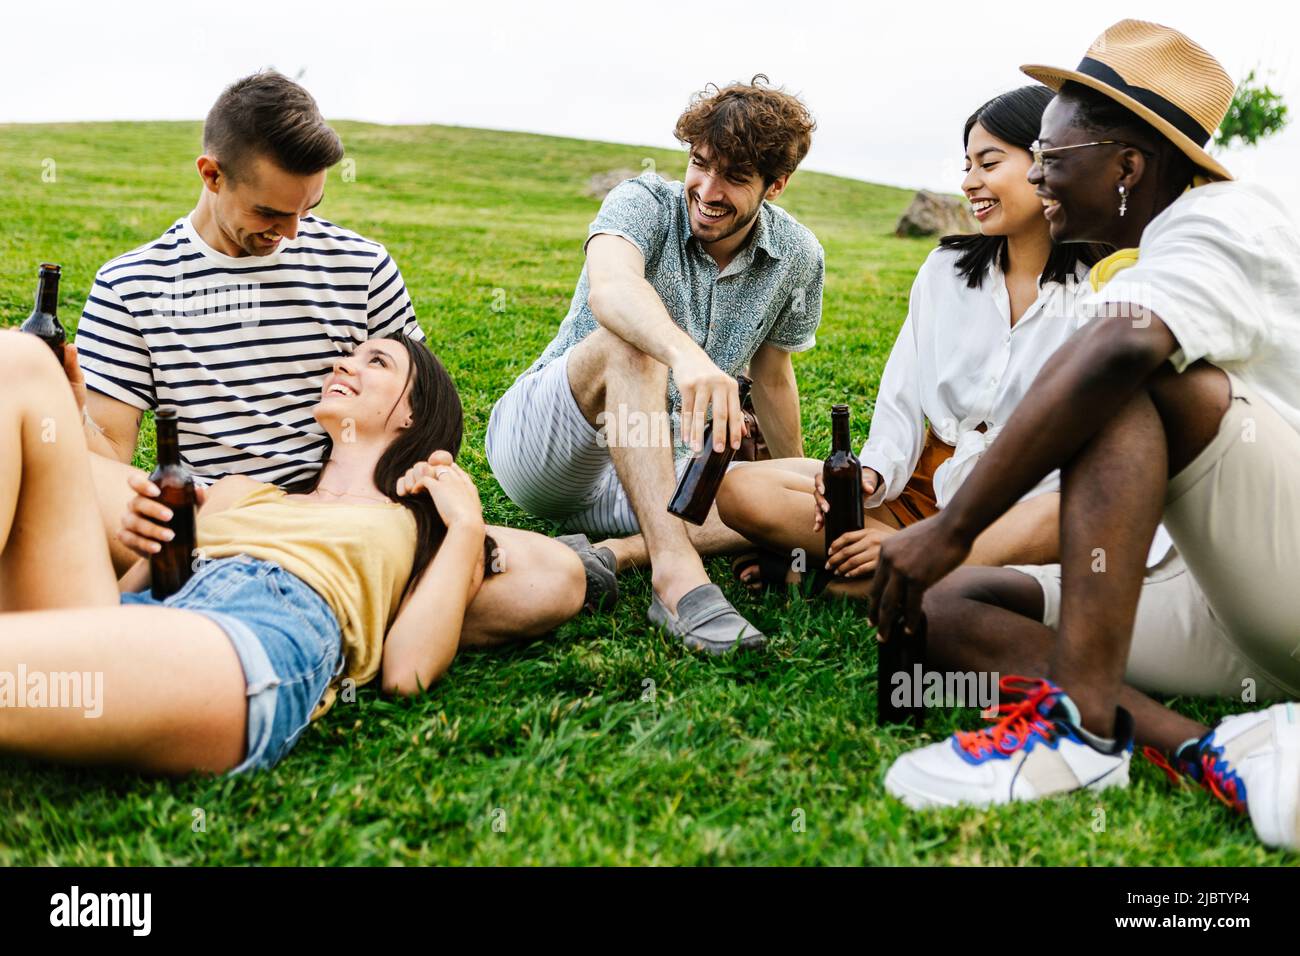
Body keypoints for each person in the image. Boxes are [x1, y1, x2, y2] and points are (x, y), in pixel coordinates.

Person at [876, 20, 1300, 853]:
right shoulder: (1148, 257)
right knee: (948, 604)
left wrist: (950, 529)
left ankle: (1078, 733)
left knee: (1134, 376)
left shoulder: (1228, 218)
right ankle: (1222, 748)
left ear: (1128, 166)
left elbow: (1120, 353)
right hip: (1226, 604)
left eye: (1051, 158)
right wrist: (949, 559)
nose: (1038, 176)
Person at [66, 69, 590, 644]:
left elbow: (419, 405)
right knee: (75, 487)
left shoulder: (361, 266)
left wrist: (419, 501)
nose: (291, 233)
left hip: (352, 523)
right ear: (211, 175)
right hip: (214, 518)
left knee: (551, 575)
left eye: (308, 208)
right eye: (270, 213)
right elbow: (110, 455)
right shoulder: (131, 284)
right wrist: (71, 412)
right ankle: (359, 608)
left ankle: (292, 598)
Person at [0, 329, 572, 775]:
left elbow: (408, 674)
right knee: (20, 360)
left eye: (378, 362)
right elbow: (118, 609)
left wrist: (468, 526)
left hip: (253, 646)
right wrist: (151, 545)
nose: (344, 365)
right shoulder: (240, 492)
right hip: (149, 626)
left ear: (414, 414)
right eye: (352, 356)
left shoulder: (414, 527)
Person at [717, 86, 1107, 597]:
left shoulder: (1102, 291)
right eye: (967, 165)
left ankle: (874, 571)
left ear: (1046, 164)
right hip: (923, 489)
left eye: (988, 163)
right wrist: (873, 474)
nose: (969, 183)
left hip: (1021, 510)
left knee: (1072, 522)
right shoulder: (945, 272)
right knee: (742, 488)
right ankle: (889, 569)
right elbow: (900, 399)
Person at [485, 76, 824, 654]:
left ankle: (612, 553)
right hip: (549, 444)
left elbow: (771, 377)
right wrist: (687, 357)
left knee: (814, 481)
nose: (708, 190)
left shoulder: (798, 255)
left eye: (736, 178)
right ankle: (675, 579)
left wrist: (782, 517)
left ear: (776, 186)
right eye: (701, 164)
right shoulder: (641, 201)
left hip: (650, 467)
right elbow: (612, 291)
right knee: (631, 340)